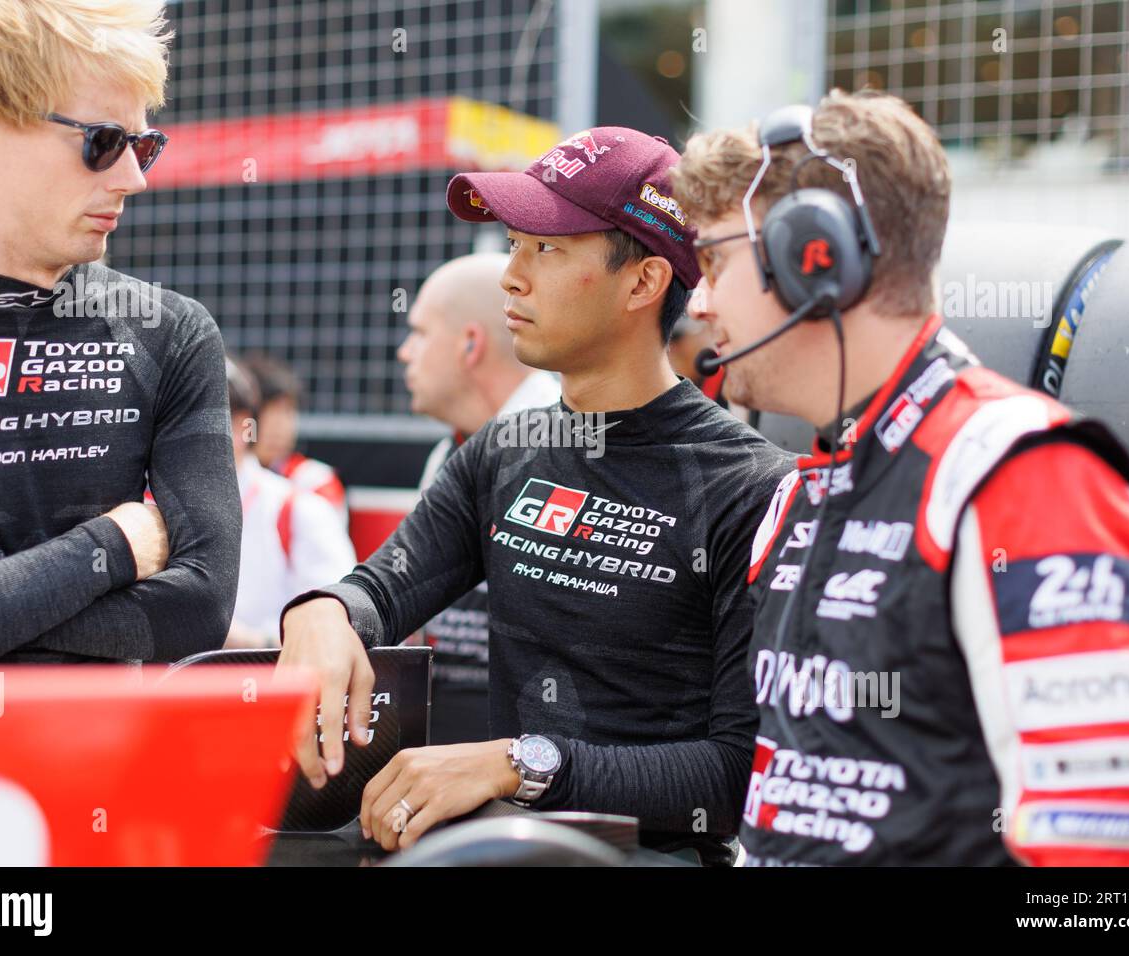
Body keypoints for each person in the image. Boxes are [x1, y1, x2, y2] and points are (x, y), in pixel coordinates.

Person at [669, 89, 1129, 866]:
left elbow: (1115, 871)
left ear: (815, 257)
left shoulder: (1025, 482)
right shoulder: (801, 495)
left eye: (714, 260)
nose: (701, 302)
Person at [278, 127, 794, 856]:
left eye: (546, 249)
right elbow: (384, 588)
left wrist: (515, 763)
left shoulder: (752, 487)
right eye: (515, 244)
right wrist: (326, 612)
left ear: (643, 283)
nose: (512, 277)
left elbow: (738, 775)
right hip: (504, 850)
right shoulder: (503, 451)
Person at [0, 0, 240, 663]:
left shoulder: (170, 333)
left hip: (101, 757)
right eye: (103, 141)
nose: (134, 178)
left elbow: (197, 611)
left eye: (144, 145)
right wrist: (111, 548)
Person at [396, 252, 561, 744]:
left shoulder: (565, 445)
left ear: (471, 343)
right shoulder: (451, 449)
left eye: (420, 333)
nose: (405, 352)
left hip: (541, 766)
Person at [225, 357, 355, 649]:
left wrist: (249, 642)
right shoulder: (144, 505)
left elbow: (339, 623)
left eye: (289, 412)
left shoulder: (302, 502)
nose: (281, 426)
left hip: (272, 687)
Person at [243, 353, 349, 526]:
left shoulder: (315, 481)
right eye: (267, 413)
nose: (279, 427)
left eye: (287, 412)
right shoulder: (222, 481)